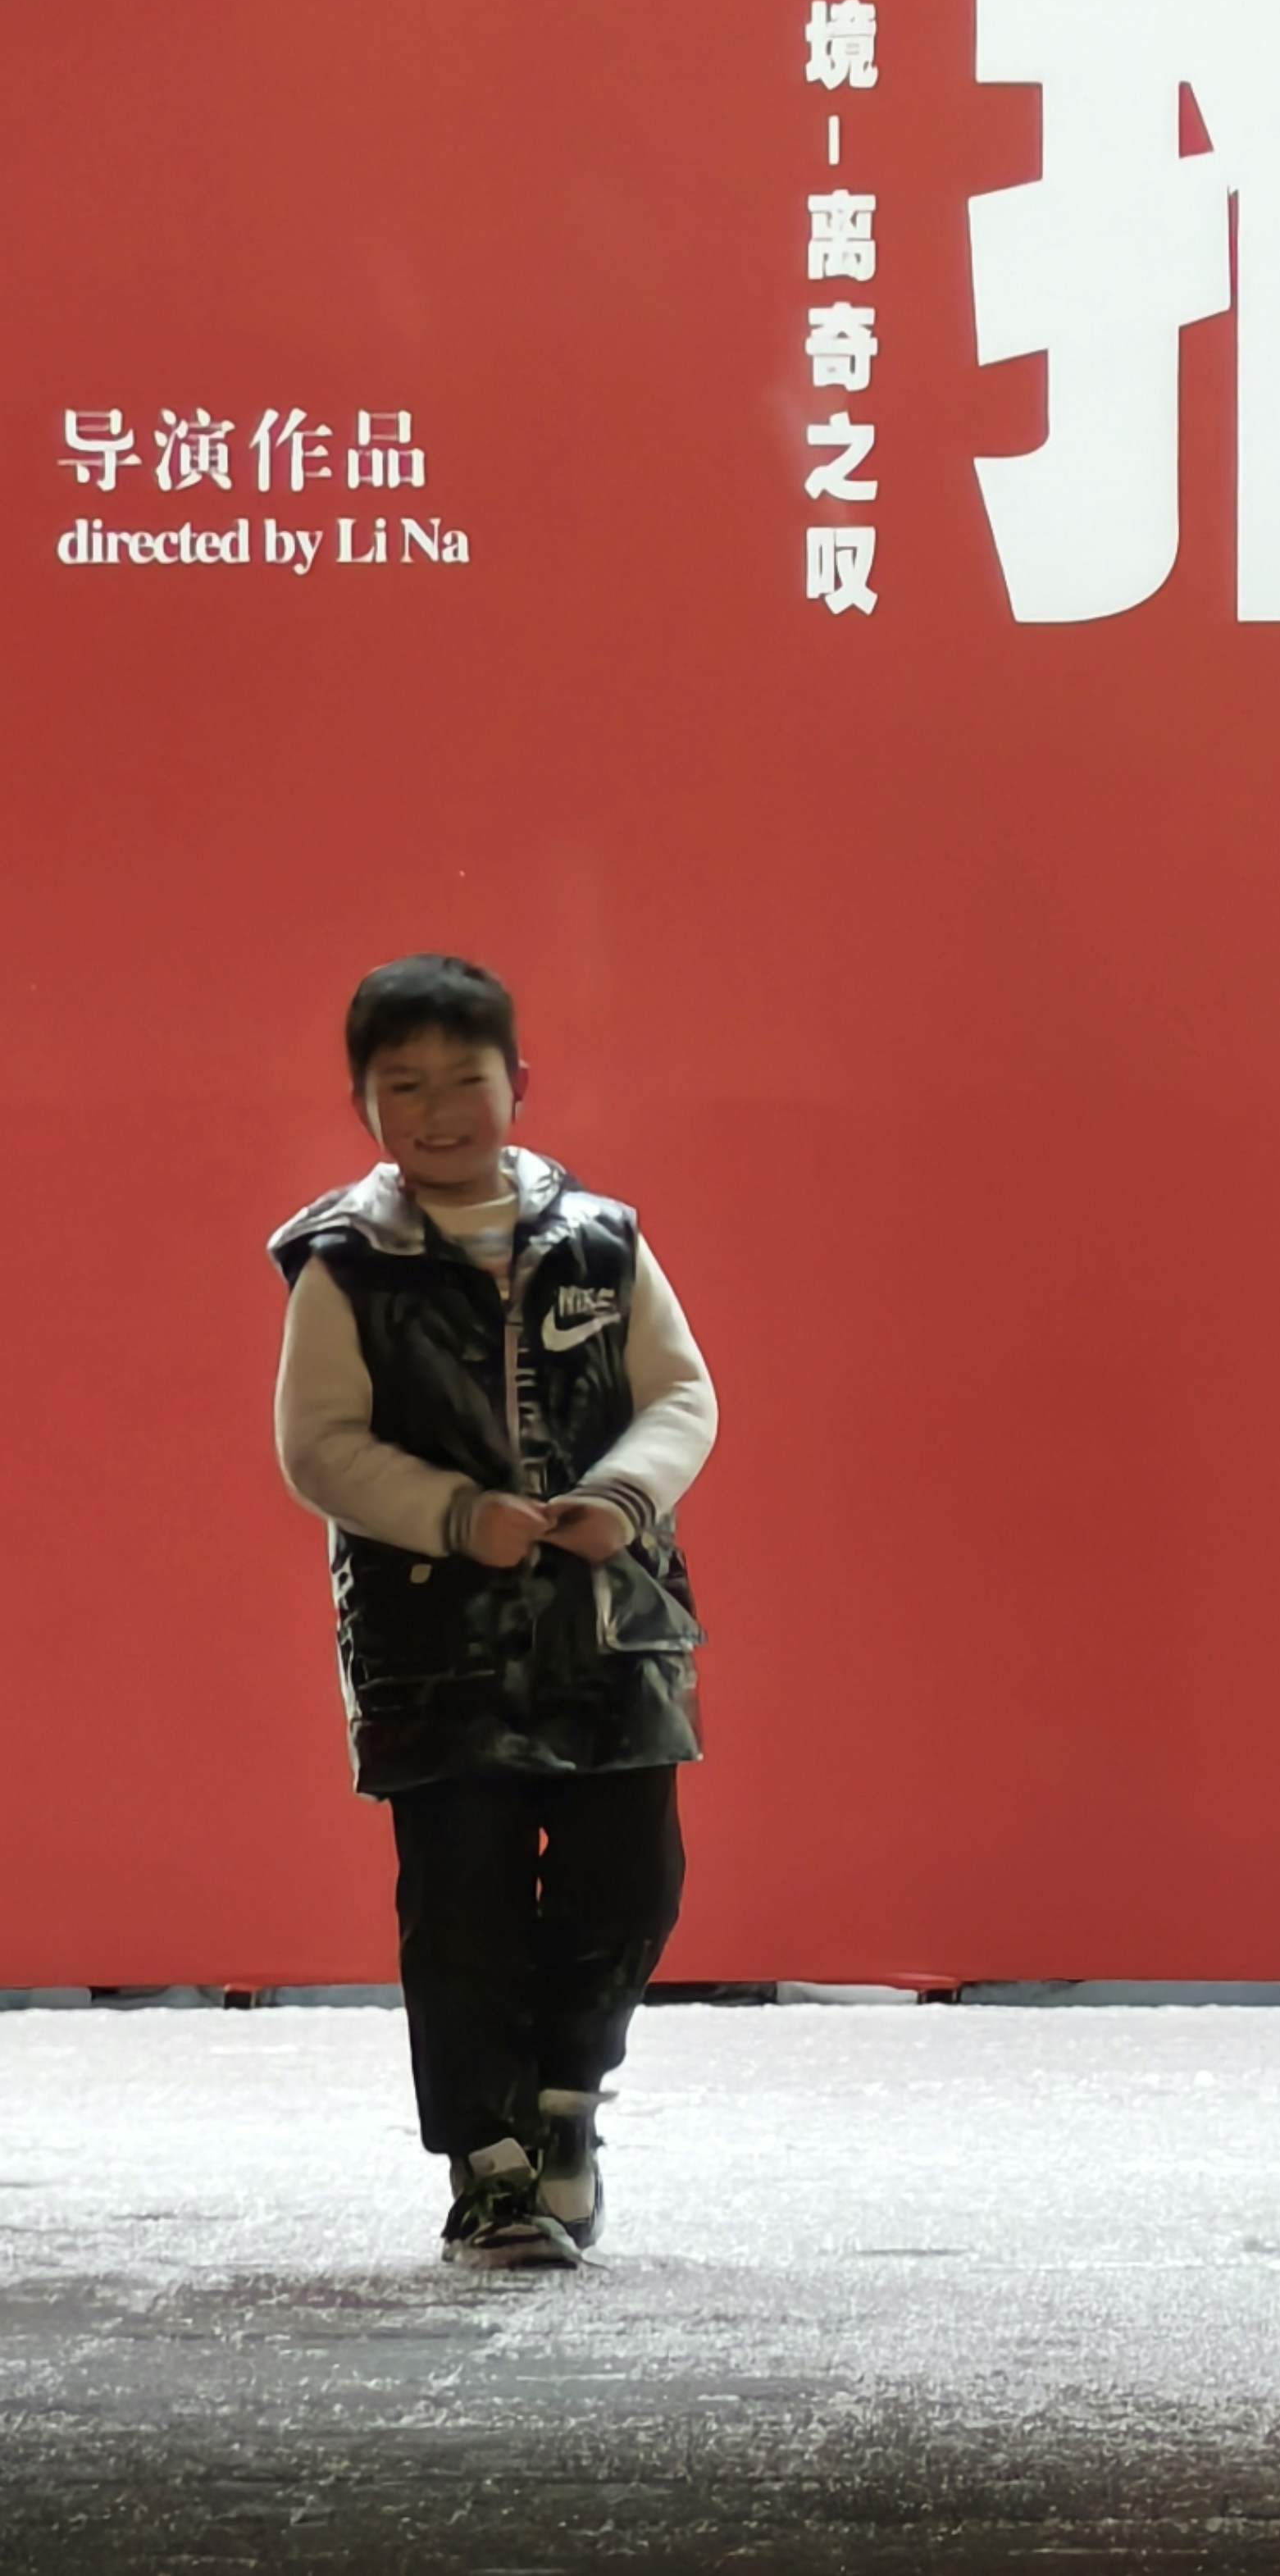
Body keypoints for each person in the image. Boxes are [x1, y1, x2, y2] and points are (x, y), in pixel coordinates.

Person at [269, 955, 717, 2264]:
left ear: (516, 1084)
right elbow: (318, 1446)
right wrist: (459, 1517)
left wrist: (622, 1498)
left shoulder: (604, 1241)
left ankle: (569, 2095)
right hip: (433, 1646)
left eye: (464, 1080)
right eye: (401, 1086)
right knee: (460, 1904)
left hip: (613, 1624)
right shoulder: (342, 1267)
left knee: (633, 1876)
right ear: (364, 1104)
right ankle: (493, 2170)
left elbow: (681, 1395)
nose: (438, 1109)